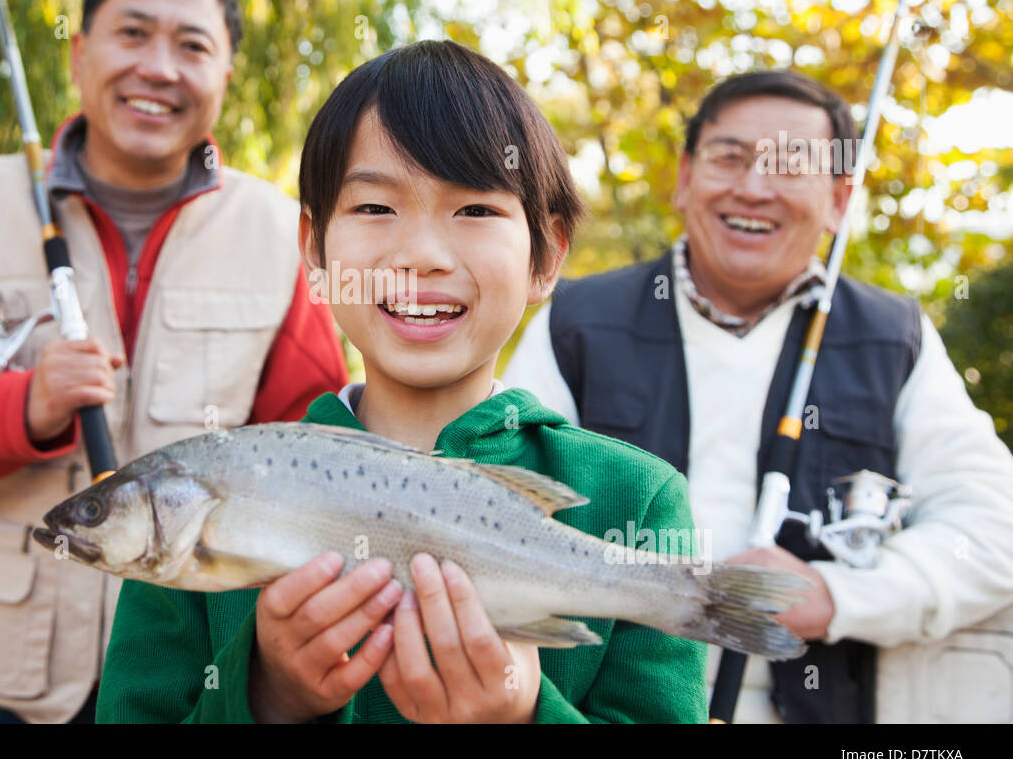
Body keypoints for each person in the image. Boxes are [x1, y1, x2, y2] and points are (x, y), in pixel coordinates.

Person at [96, 40, 712, 723]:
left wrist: (523, 714)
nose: (421, 255)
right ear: (314, 249)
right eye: (375, 209)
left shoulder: (639, 503)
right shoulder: (190, 500)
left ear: (548, 256)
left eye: (476, 210)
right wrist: (269, 696)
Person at [0, 0, 348, 723]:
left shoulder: (282, 235)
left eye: (193, 46)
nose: (158, 67)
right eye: (133, 34)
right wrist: (21, 411)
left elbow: (317, 455)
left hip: (180, 686)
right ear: (80, 52)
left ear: (224, 75)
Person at [504, 70, 1013, 723]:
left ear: (838, 199)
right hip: (612, 708)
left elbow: (994, 527)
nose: (753, 187)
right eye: (730, 157)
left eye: (791, 165)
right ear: (686, 178)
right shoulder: (577, 320)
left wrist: (838, 595)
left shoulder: (894, 338)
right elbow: (503, 505)